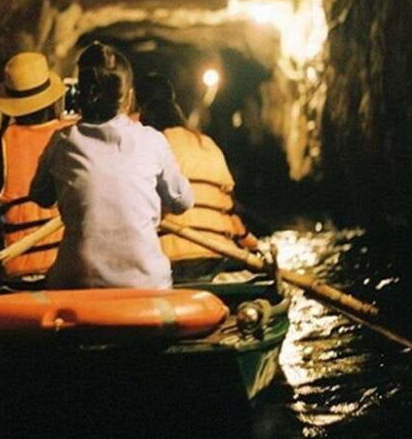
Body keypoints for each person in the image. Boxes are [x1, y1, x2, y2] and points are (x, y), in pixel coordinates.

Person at [30, 43, 194, 289]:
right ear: (128, 99)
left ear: (80, 95)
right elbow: (183, 202)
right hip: (146, 284)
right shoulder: (152, 140)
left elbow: (40, 196)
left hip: (77, 282)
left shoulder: (62, 141)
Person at [137, 73, 258, 283]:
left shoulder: (146, 146)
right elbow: (229, 208)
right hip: (219, 256)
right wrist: (252, 246)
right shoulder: (208, 144)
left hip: (170, 261)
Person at [0, 52, 72, 280]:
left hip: (19, 267)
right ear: (52, 98)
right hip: (70, 265)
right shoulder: (72, 133)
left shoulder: (4, 141)